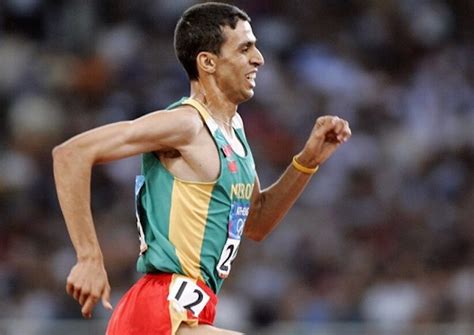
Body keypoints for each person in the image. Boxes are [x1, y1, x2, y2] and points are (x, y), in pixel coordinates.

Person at [52, 2, 351, 334]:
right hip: (158, 310)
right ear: (208, 62)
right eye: (245, 48)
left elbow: (255, 223)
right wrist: (89, 258)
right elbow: (72, 154)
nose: (259, 58)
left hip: (189, 312)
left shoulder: (233, 129)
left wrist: (307, 162)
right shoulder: (186, 124)